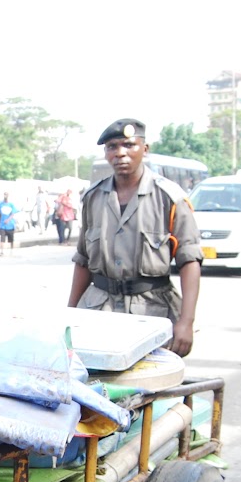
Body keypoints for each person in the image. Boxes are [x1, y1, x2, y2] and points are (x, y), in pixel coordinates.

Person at [66, 118, 203, 356]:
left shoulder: (169, 198)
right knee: (98, 381)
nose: (120, 153)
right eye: (112, 147)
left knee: (152, 387)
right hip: (99, 310)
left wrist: (186, 322)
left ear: (145, 149)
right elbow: (83, 260)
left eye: (129, 145)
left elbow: (189, 261)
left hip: (152, 312)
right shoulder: (93, 198)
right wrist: (70, 314)